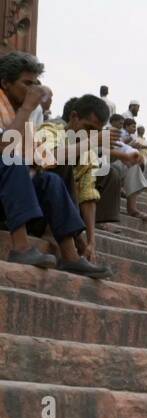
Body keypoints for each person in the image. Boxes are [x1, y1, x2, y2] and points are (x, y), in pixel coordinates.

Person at [0, 53, 111, 278]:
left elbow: (43, 158)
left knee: (51, 179)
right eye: (26, 83)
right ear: (6, 83)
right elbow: (6, 147)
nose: (32, 89)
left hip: (10, 193)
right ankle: (20, 247)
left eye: (35, 84)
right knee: (13, 160)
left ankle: (70, 255)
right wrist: (27, 108)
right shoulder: (21, 109)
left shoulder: (26, 113)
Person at [35, 95, 113, 261]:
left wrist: (92, 242)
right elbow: (47, 159)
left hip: (62, 219)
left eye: (96, 132)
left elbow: (88, 194)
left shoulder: (88, 153)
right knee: (62, 163)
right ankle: (61, 237)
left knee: (106, 173)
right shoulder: (50, 130)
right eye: (88, 128)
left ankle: (72, 237)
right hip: (31, 209)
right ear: (74, 117)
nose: (90, 135)